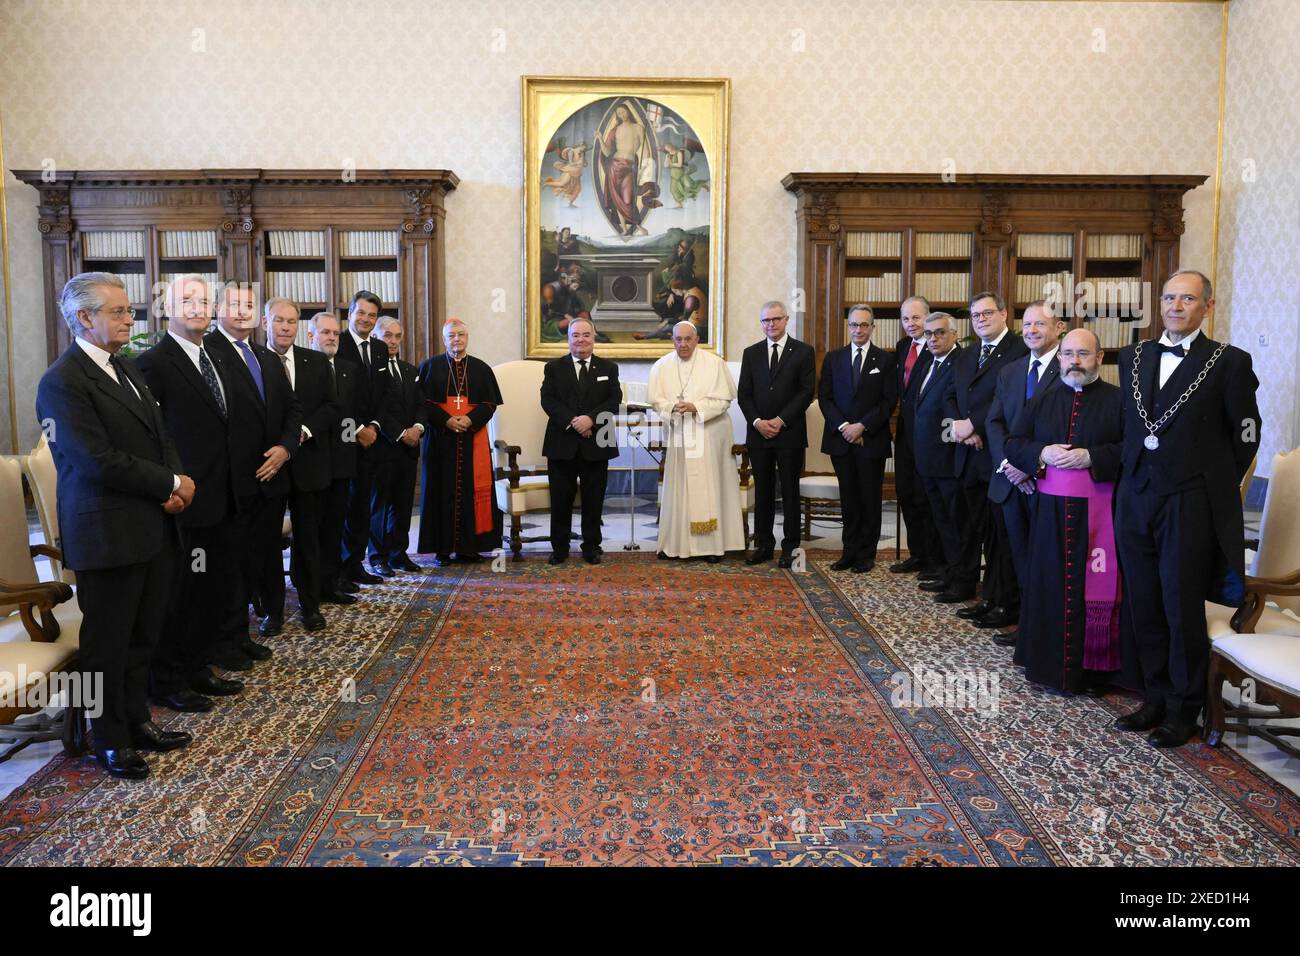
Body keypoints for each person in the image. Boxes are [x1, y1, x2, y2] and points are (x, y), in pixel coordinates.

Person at [35, 272, 194, 778]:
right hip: (106, 534)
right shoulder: (62, 381)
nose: (131, 319)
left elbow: (159, 433)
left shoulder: (126, 369)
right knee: (107, 644)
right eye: (119, 311)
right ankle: (107, 739)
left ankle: (135, 720)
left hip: (151, 524)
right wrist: (168, 480)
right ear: (84, 318)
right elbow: (95, 460)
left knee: (144, 634)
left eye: (129, 311)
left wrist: (172, 483)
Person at [1114, 270, 1261, 748]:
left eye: (1188, 299)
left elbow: (1246, 434)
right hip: (1135, 497)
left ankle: (1185, 707)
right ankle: (1153, 697)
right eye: (1170, 298)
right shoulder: (1132, 357)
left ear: (1207, 307)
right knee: (1143, 600)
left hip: (1189, 502)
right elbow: (1128, 426)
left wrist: (1209, 483)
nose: (1176, 306)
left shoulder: (1229, 362)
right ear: (1160, 304)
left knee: (1180, 605)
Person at [136, 274, 244, 713]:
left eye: (205, 300)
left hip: (224, 497)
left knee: (210, 591)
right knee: (180, 595)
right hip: (185, 501)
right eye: (188, 300)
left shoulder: (215, 356)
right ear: (166, 308)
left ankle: (199, 666)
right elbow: (150, 437)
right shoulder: (153, 363)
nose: (199, 307)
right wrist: (171, 485)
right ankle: (168, 679)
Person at [1005, 329, 1124, 692]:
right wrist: (1042, 453)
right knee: (1050, 586)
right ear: (1059, 359)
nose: (1074, 361)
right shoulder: (1042, 399)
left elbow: (1134, 449)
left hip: (1101, 515)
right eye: (1068, 354)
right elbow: (1014, 442)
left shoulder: (1119, 400)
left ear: (1099, 358)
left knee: (1096, 589)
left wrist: (1093, 456)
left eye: (1083, 354)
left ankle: (1095, 671)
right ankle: (1047, 667)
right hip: (1049, 515)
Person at [205, 283, 300, 650]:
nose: (243, 311)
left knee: (268, 548)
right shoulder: (206, 354)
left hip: (274, 473)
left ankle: (272, 611)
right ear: (217, 309)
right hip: (232, 479)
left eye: (248, 304)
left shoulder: (266, 357)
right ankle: (234, 630)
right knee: (234, 557)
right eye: (235, 304)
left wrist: (285, 449)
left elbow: (293, 410)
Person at [981, 300, 1064, 645]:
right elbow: (994, 422)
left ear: (1058, 327)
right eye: (1027, 325)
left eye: (1040, 324)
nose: (1031, 331)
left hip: (1051, 482)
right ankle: (1027, 628)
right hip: (1010, 480)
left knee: (1048, 561)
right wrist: (1009, 465)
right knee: (1019, 557)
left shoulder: (1070, 366)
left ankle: (1049, 632)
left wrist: (1033, 466)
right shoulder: (1011, 371)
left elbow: (1070, 427)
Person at [940, 291, 1028, 608]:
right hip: (966, 454)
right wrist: (960, 425)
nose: (981, 320)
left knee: (999, 533)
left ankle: (1000, 599)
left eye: (987, 313)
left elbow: (1010, 400)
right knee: (969, 526)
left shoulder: (1019, 350)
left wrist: (975, 425)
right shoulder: (967, 353)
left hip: (998, 456)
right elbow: (949, 395)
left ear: (1004, 314)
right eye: (976, 315)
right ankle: (972, 588)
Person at [264, 297, 339, 631]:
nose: (285, 327)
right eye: (278, 320)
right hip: (267, 465)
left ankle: (310, 606)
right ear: (265, 322)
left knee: (308, 539)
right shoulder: (252, 360)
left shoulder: (317, 362)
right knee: (266, 541)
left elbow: (331, 407)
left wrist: (302, 433)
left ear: (300, 326)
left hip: (309, 463)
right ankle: (272, 611)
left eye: (291, 322)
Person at [647, 320, 744, 561]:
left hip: (709, 438)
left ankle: (711, 547)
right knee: (679, 491)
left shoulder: (715, 364)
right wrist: (673, 408)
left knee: (711, 489)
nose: (683, 344)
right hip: (680, 437)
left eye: (687, 339)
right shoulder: (662, 366)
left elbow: (723, 401)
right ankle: (675, 545)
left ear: (697, 339)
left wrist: (696, 407)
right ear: (673, 340)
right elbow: (656, 402)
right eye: (678, 339)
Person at [416, 318, 504, 566]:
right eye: (451, 335)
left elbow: (490, 403)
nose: (457, 339)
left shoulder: (481, 368)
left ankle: (469, 548)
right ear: (444, 339)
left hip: (472, 437)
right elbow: (423, 403)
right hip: (440, 441)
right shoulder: (430, 367)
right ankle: (441, 550)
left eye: (461, 334)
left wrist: (468, 420)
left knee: (471, 493)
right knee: (439, 492)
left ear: (468, 337)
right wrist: (447, 420)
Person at [818, 305, 898, 573]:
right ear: (848, 327)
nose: (858, 330)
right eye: (854, 325)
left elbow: (888, 401)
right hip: (841, 440)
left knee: (869, 498)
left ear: (872, 328)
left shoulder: (885, 360)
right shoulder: (834, 358)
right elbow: (825, 398)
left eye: (864, 325)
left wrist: (862, 427)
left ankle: (866, 554)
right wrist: (844, 427)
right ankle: (848, 552)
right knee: (848, 498)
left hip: (871, 440)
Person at [737, 301, 815, 568]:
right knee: (764, 492)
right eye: (765, 321)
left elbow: (806, 392)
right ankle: (763, 545)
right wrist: (758, 421)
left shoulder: (803, 352)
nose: (770, 324)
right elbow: (743, 394)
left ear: (786, 320)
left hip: (789, 433)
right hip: (759, 434)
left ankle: (791, 547)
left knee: (790, 491)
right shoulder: (751, 353)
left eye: (775, 319)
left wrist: (780, 421)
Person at [540, 318, 622, 564]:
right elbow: (548, 400)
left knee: (593, 499)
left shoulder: (609, 368)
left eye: (586, 335)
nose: (581, 340)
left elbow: (613, 401)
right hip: (562, 442)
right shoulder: (554, 367)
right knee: (561, 499)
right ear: (569, 339)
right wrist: (574, 421)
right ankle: (560, 548)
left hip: (597, 443)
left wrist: (591, 420)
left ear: (593, 338)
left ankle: (591, 547)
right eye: (576, 335)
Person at [335, 291, 390, 585]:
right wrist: (358, 429)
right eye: (361, 313)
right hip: (344, 439)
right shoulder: (337, 343)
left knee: (362, 505)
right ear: (350, 314)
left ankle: (356, 563)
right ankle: (340, 569)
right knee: (344, 504)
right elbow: (334, 396)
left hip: (373, 439)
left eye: (371, 315)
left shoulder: (381, 349)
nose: (366, 319)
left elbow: (384, 395)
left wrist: (375, 426)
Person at [306, 312, 360, 605]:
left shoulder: (348, 370)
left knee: (334, 528)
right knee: (312, 530)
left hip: (341, 462)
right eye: (325, 333)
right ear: (311, 336)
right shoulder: (301, 367)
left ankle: (331, 582)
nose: (331, 338)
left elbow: (351, 414)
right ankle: (310, 589)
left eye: (336, 334)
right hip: (312, 461)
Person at [912, 313, 964, 597]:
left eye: (940, 333)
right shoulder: (929, 363)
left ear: (954, 334)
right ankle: (946, 572)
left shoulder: (961, 364)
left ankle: (961, 580)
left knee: (956, 523)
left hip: (948, 460)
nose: (933, 339)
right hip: (928, 459)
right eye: (929, 334)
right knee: (940, 521)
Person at [889, 296, 941, 576]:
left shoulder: (936, 348)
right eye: (906, 319)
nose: (911, 324)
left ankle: (935, 559)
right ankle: (917, 553)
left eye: (916, 318)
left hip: (930, 436)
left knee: (926, 496)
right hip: (906, 434)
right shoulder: (901, 347)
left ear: (928, 317)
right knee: (906, 493)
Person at [369, 317, 425, 573]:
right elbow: (375, 408)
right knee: (380, 504)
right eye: (387, 336)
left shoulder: (410, 370)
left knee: (403, 504)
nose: (392, 341)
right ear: (376, 337)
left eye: (397, 336)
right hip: (383, 446)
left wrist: (418, 428)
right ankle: (377, 556)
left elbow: (421, 405)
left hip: (409, 448)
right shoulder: (371, 369)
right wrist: (401, 432)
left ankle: (398, 553)